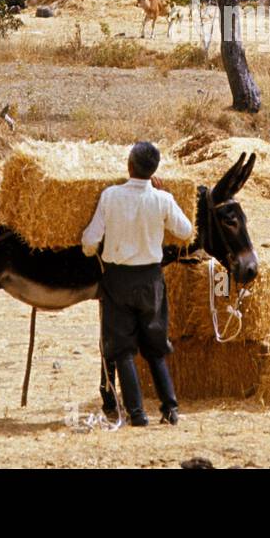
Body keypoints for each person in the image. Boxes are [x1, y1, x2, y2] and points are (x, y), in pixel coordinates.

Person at [81, 141, 193, 426]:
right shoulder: (162, 199)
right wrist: (165, 195)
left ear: (129, 166)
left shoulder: (110, 195)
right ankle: (170, 409)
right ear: (153, 170)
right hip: (151, 281)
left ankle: (137, 414)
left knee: (122, 350)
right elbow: (185, 231)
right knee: (155, 347)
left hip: (118, 280)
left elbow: (90, 241)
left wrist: (90, 250)